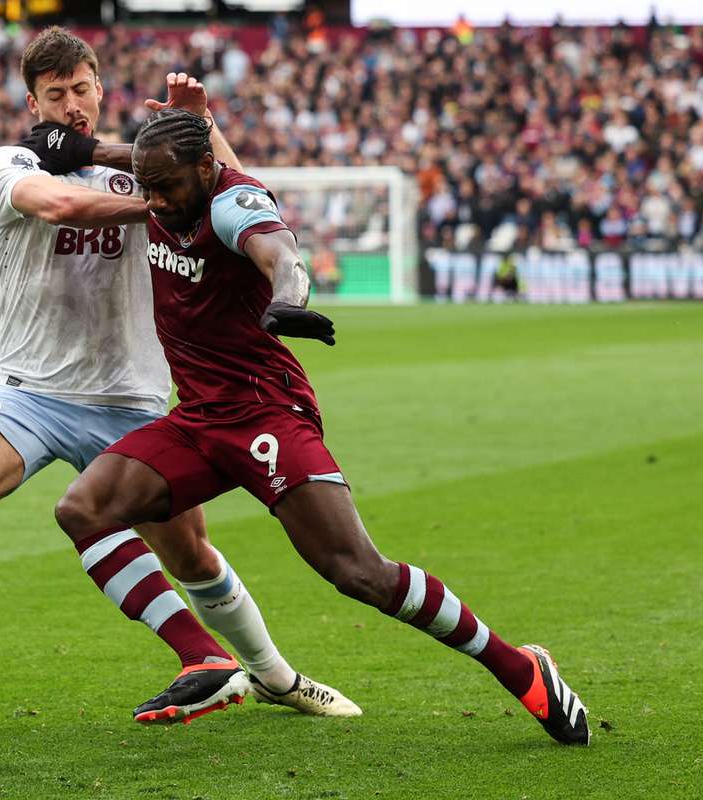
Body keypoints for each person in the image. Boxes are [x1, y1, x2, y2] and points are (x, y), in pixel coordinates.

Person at [0, 27, 358, 733]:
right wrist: (164, 196)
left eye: (81, 89)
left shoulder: (147, 167)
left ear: (101, 89)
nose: (71, 104)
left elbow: (236, 197)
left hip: (133, 399)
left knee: (190, 553)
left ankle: (273, 676)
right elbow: (60, 204)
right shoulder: (8, 164)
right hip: (29, 389)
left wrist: (200, 133)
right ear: (33, 102)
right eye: (55, 94)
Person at [52, 107, 590, 744]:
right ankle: (208, 658)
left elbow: (280, 253)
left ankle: (520, 666)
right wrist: (81, 148)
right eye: (146, 184)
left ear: (207, 168)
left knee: (358, 572)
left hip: (265, 414)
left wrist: (286, 301)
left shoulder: (229, 204)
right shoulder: (164, 181)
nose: (155, 201)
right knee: (84, 509)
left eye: (166, 186)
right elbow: (139, 159)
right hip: (197, 419)